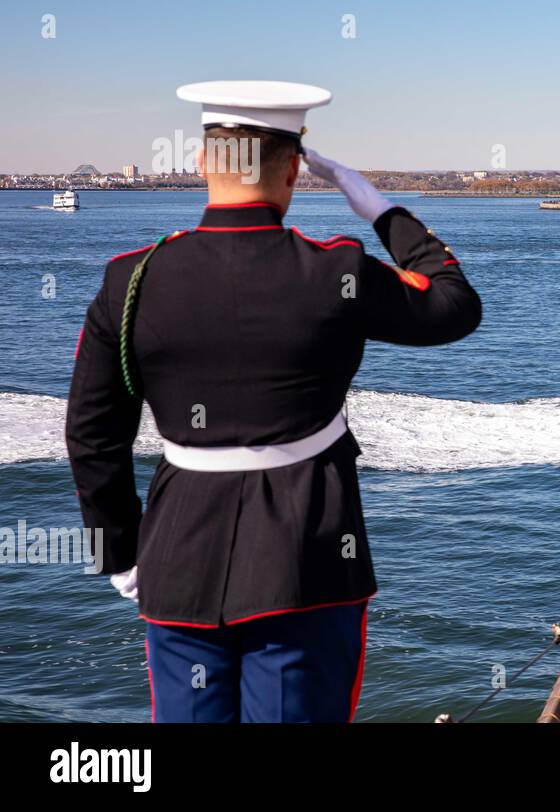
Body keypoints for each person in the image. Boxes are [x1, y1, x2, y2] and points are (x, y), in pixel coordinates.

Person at [65, 80, 482, 722]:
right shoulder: (336, 271)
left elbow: (92, 437)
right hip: (308, 565)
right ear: (294, 169)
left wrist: (116, 556)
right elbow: (455, 304)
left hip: (175, 562)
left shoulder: (132, 279)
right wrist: (377, 207)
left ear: (202, 161)